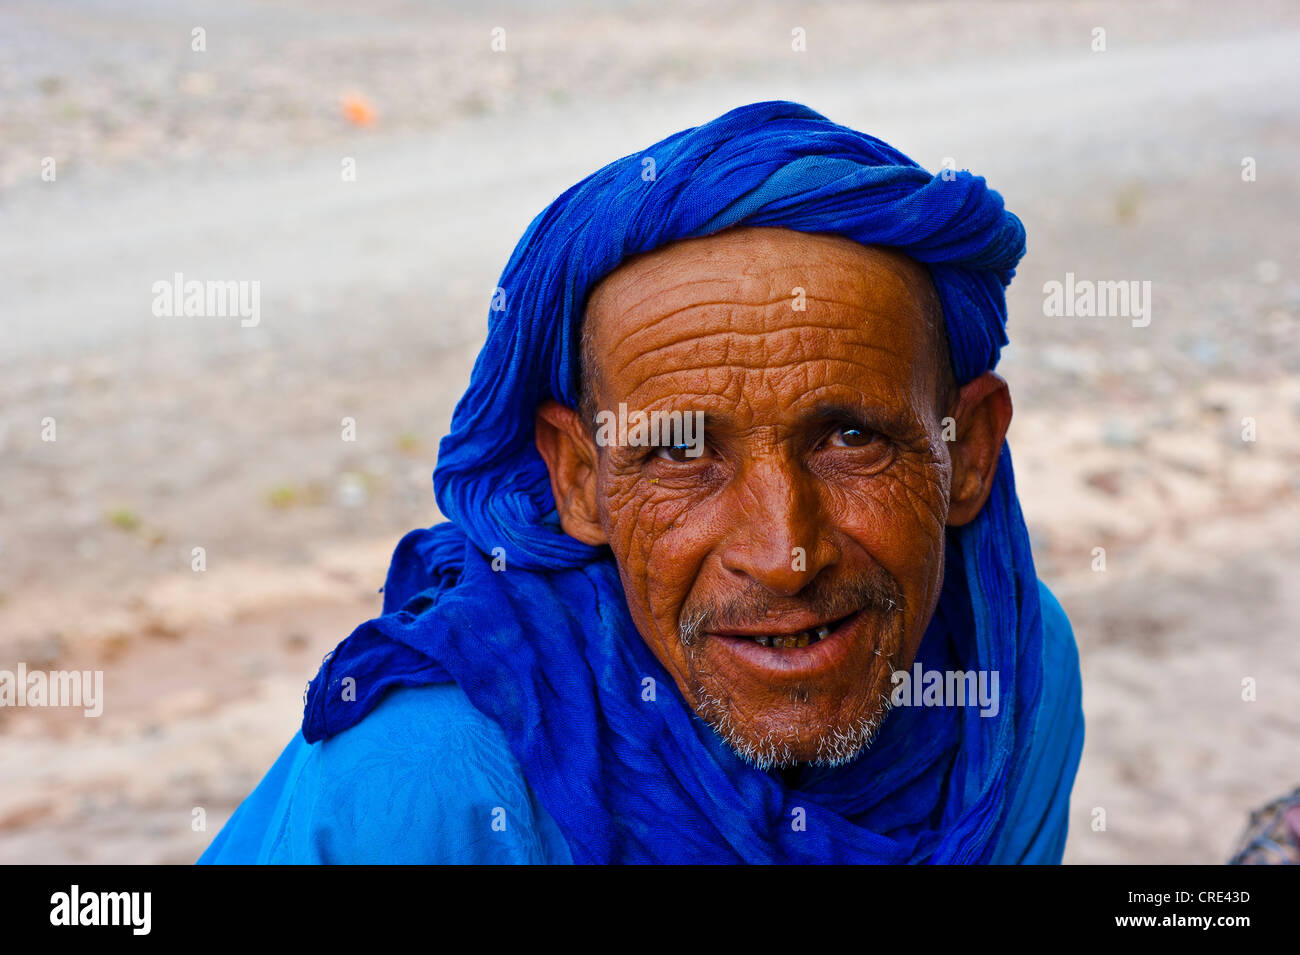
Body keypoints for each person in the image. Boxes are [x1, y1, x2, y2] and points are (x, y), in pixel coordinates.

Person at [200, 101, 1084, 864]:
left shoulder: (1008, 667)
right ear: (580, 478)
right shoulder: (432, 783)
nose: (784, 554)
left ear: (966, 450)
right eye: (680, 454)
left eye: (850, 437)